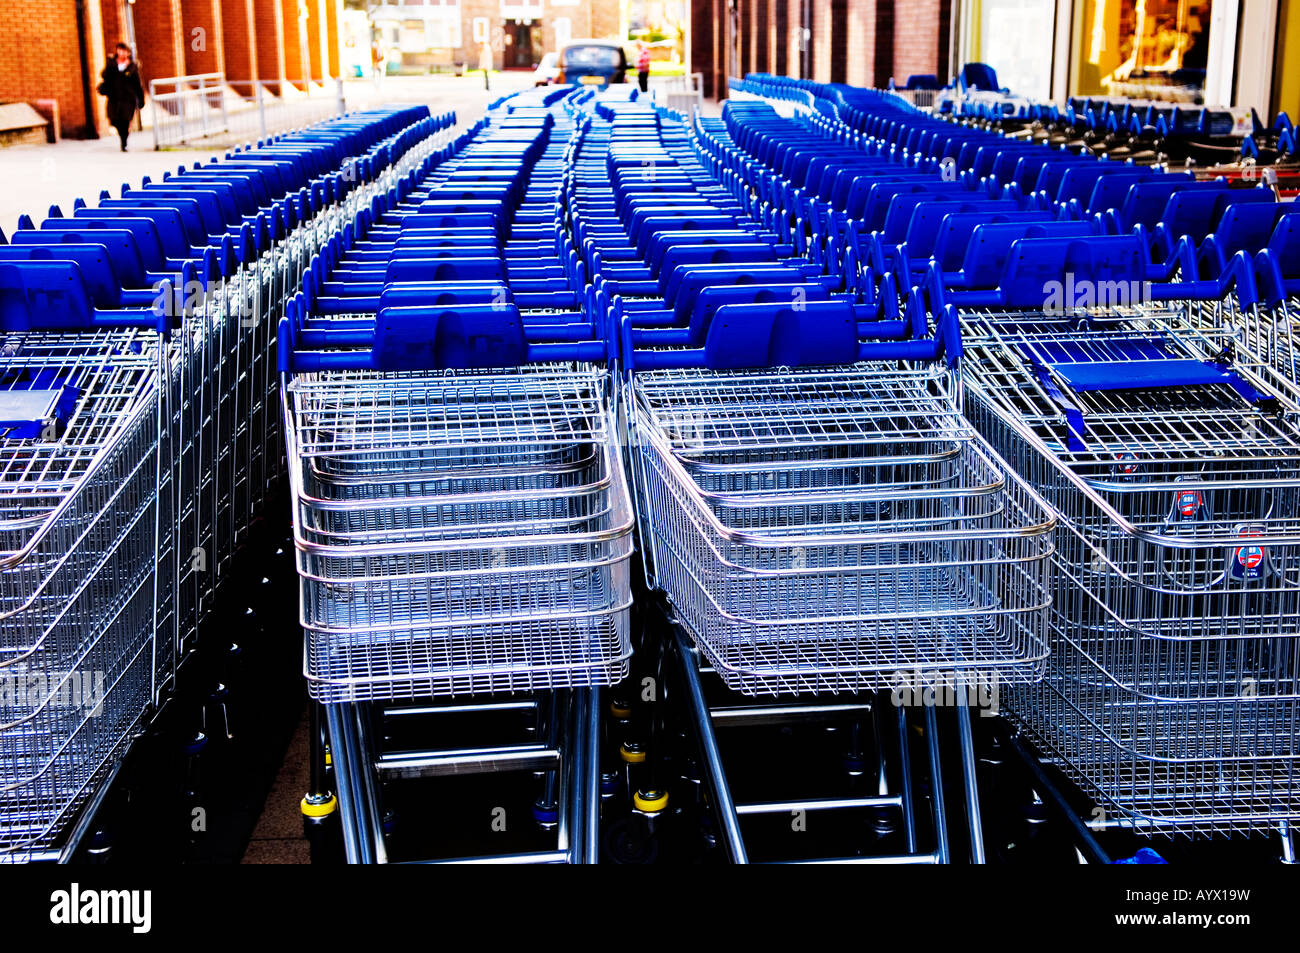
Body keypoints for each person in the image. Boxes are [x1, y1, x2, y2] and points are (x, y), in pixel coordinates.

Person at [98, 43, 144, 152]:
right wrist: (110, 66)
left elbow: (137, 84)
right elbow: (104, 75)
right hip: (114, 97)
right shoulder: (112, 63)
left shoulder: (132, 67)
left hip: (128, 98)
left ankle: (124, 142)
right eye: (119, 50)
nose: (121, 53)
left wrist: (141, 99)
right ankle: (122, 135)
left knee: (125, 119)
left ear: (128, 53)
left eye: (124, 51)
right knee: (113, 119)